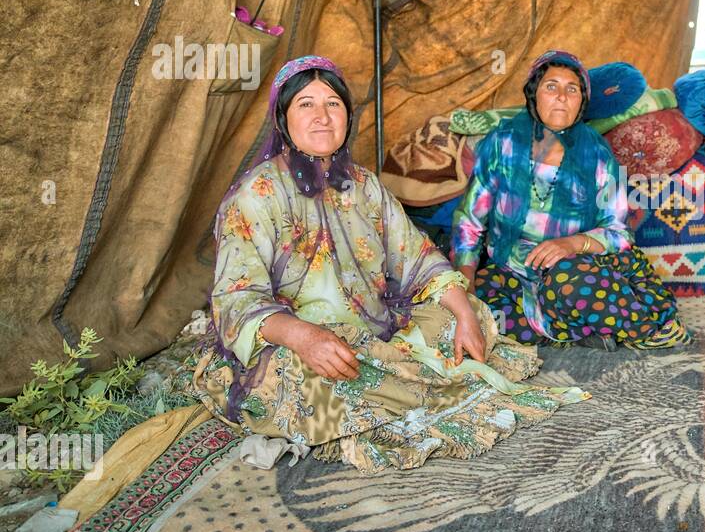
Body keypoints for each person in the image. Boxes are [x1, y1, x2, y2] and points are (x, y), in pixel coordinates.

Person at [194, 55, 586, 475]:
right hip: (296, 342)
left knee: (462, 315)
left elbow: (417, 257)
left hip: (376, 326)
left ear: (347, 115)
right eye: (306, 104)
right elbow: (236, 299)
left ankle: (399, 381)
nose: (322, 117)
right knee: (296, 381)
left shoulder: (362, 185)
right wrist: (305, 338)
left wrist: (464, 312)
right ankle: (409, 386)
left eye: (333, 104)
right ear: (283, 118)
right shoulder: (255, 195)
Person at [453, 50, 690, 350]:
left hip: (583, 266)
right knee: (478, 306)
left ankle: (649, 326)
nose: (561, 96)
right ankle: (586, 329)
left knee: (568, 282)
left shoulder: (598, 154)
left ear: (581, 103)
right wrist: (465, 279)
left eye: (572, 89)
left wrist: (571, 244)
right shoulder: (502, 146)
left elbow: (620, 232)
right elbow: (470, 222)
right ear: (533, 95)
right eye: (551, 86)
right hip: (516, 269)